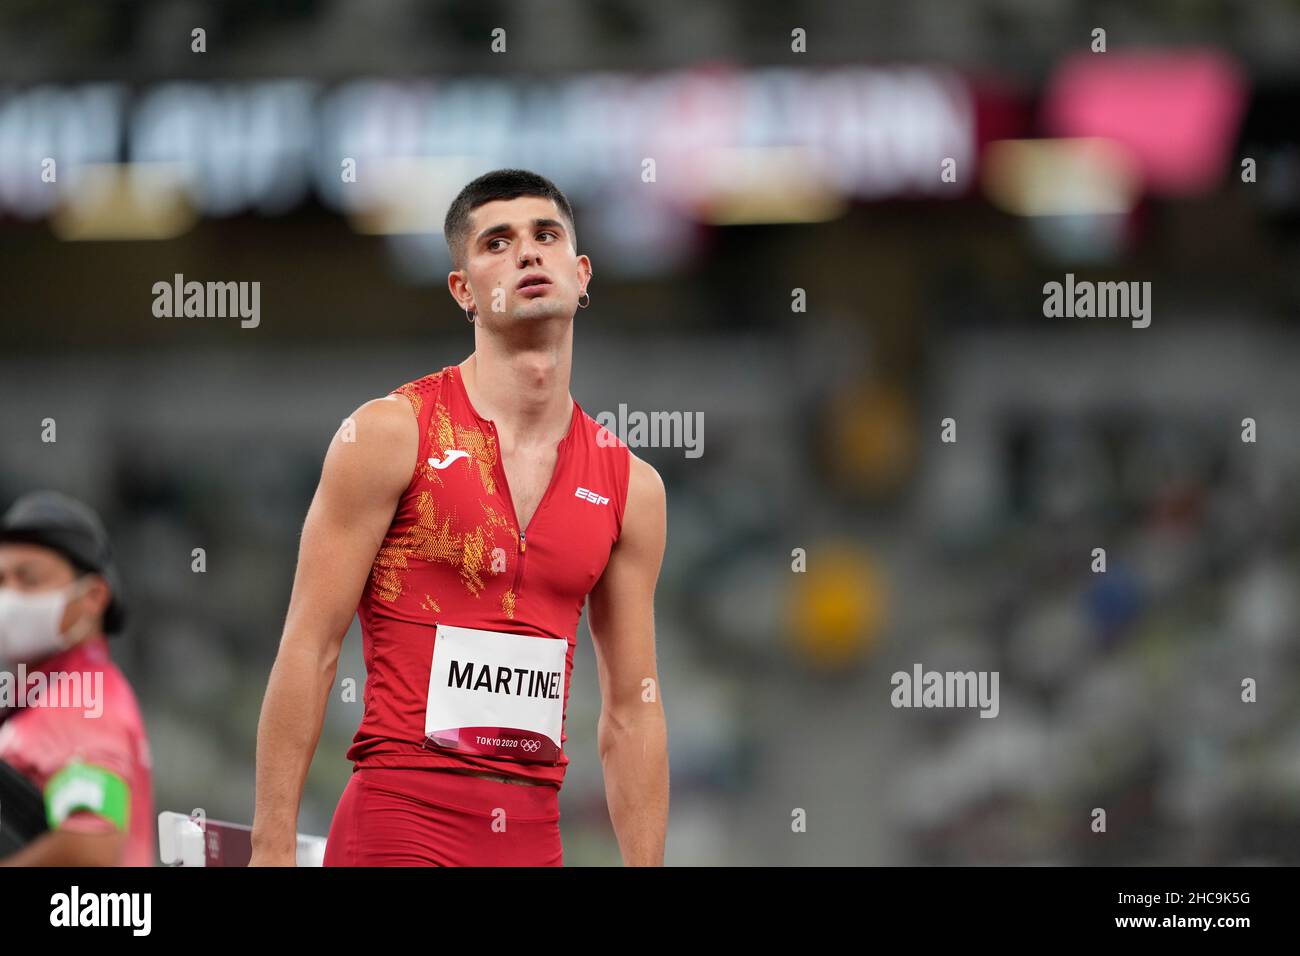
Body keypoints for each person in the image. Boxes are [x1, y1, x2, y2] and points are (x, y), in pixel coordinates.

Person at [252, 169, 669, 866]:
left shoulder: (631, 486)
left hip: (533, 842)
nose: (529, 254)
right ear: (463, 290)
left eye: (547, 235)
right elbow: (309, 646)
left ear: (581, 273)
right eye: (497, 242)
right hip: (398, 829)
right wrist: (270, 847)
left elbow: (634, 709)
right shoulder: (390, 435)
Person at [0, 491, 154, 866]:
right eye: (0, 581)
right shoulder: (42, 695)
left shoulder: (82, 701)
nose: (8, 597)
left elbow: (92, 848)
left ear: (93, 597)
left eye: (29, 579)